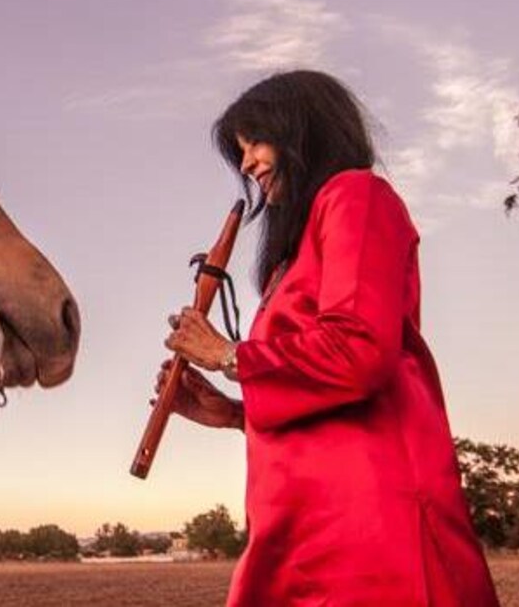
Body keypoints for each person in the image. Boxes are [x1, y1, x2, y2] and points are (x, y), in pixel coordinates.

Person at [160, 70, 500, 606]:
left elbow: (358, 353)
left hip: (366, 529)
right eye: (241, 151)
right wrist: (231, 413)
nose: (246, 164)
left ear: (303, 132)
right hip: (298, 528)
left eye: (256, 142)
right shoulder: (285, 266)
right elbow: (317, 395)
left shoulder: (355, 196)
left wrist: (228, 354)